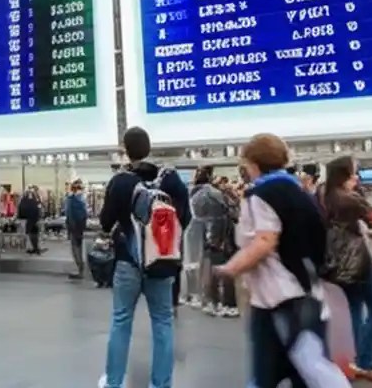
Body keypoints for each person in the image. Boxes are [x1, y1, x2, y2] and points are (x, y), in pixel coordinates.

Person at [215, 134, 350, 388]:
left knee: (289, 369)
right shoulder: (298, 191)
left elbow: (265, 241)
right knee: (303, 369)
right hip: (305, 292)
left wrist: (230, 268)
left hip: (278, 297)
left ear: (253, 163)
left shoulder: (261, 194)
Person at [97, 126, 192, 388]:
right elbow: (186, 218)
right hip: (162, 264)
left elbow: (105, 222)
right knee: (163, 322)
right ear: (149, 147)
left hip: (128, 262)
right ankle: (161, 384)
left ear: (126, 150)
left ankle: (113, 382)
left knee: (121, 321)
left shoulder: (120, 181)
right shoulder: (171, 179)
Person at [320, 156, 372, 385]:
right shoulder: (351, 199)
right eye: (354, 172)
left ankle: (348, 362)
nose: (356, 176)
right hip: (361, 261)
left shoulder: (324, 195)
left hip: (338, 264)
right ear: (346, 174)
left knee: (353, 309)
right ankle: (366, 362)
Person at [191, 166, 238, 317]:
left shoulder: (195, 194)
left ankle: (213, 302)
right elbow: (230, 213)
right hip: (222, 235)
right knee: (225, 268)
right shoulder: (216, 194)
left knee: (211, 268)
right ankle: (228, 304)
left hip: (206, 234)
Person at [64, 180, 89, 280]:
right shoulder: (82, 200)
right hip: (80, 227)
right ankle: (81, 270)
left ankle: (80, 271)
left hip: (74, 228)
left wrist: (69, 228)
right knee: (79, 248)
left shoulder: (71, 199)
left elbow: (69, 215)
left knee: (75, 249)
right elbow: (84, 215)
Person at [18, 186, 44, 255]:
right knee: (33, 233)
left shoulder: (27, 198)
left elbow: (22, 207)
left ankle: (35, 248)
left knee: (32, 233)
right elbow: (38, 207)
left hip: (30, 219)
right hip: (32, 218)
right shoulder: (33, 198)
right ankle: (35, 248)